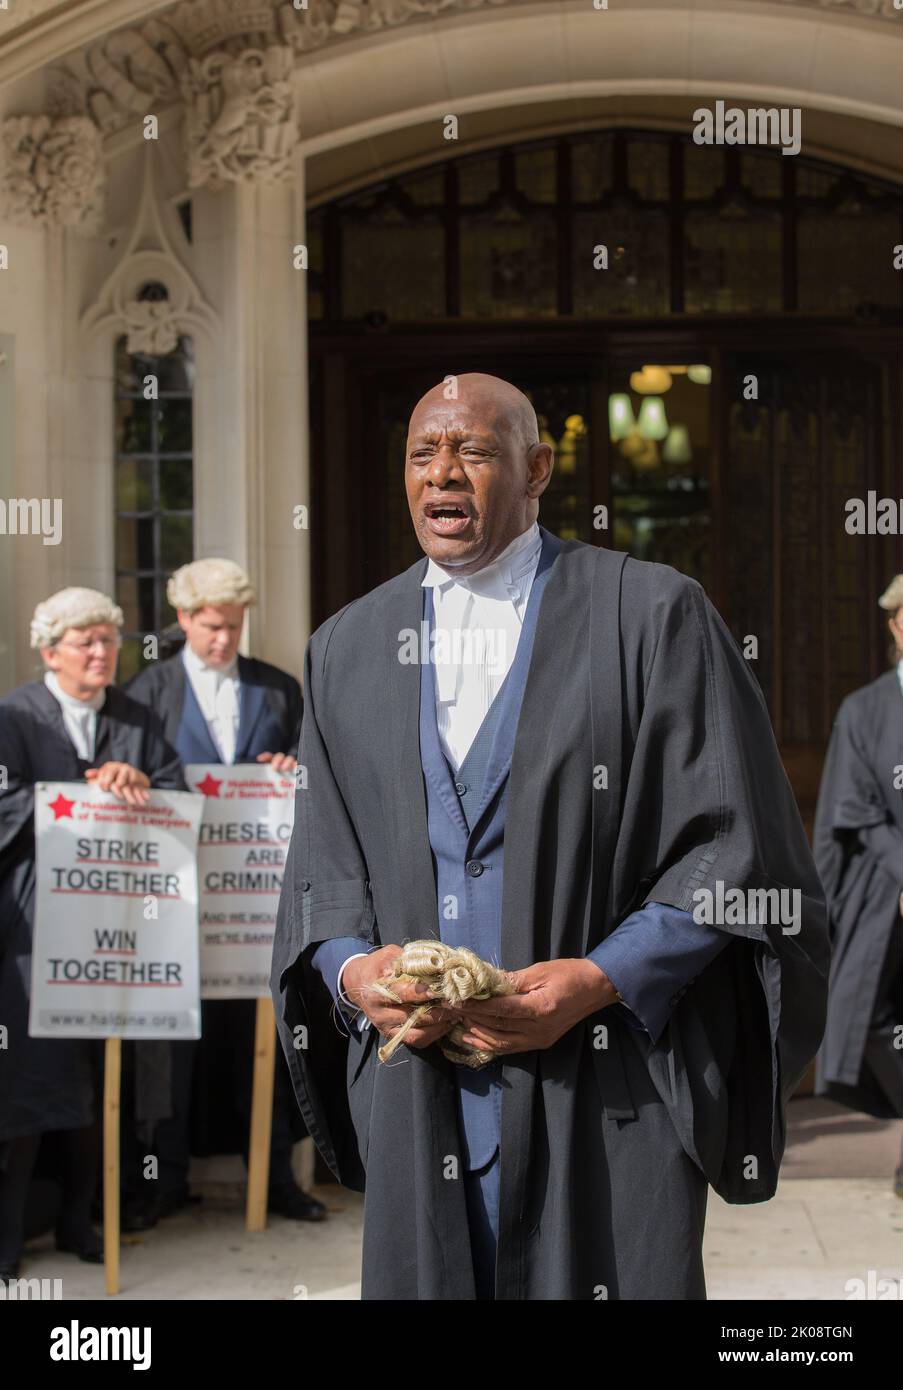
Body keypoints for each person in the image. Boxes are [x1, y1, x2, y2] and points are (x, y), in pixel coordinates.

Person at [271, 372, 830, 1300]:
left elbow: (738, 849)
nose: (442, 474)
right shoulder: (348, 646)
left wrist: (601, 977)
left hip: (606, 1092)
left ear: (536, 469)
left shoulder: (650, 615)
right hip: (421, 1099)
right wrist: (347, 970)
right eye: (421, 454)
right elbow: (321, 871)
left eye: (474, 451)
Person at [124, 558, 324, 1225]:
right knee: (172, 1042)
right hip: (174, 900)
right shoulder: (147, 692)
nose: (223, 639)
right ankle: (163, 1180)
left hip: (254, 903)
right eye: (211, 627)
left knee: (260, 1035)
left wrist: (285, 770)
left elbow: (310, 778)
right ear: (183, 620)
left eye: (234, 627)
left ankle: (274, 1180)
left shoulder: (276, 689)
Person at [0, 587, 184, 1278]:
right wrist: (80, 794)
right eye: (86, 642)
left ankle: (84, 1220)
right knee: (25, 1083)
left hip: (117, 934)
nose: (103, 653)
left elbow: (176, 801)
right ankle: (9, 1235)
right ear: (50, 652)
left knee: (102, 1078)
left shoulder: (135, 719)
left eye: (109, 640)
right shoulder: (15, 717)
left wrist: (140, 781)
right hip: (32, 933)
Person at [813, 574, 903, 1198]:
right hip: (886, 894)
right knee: (869, 1019)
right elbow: (854, 809)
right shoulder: (866, 711)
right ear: (896, 625)